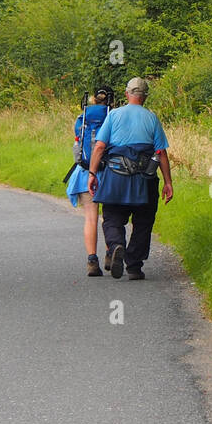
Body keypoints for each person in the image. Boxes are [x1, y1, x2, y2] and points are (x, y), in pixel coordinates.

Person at [88, 77, 172, 279]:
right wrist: (168, 182)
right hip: (145, 179)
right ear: (145, 97)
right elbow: (160, 152)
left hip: (116, 177)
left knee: (112, 218)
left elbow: (99, 146)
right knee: (143, 221)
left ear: (127, 95)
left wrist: (92, 174)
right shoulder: (152, 118)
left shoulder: (114, 115)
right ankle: (134, 266)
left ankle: (116, 245)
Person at [66, 88, 111, 277]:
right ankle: (111, 252)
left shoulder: (81, 119)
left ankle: (92, 260)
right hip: (108, 174)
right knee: (111, 218)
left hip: (85, 173)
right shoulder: (112, 117)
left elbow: (77, 143)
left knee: (91, 218)